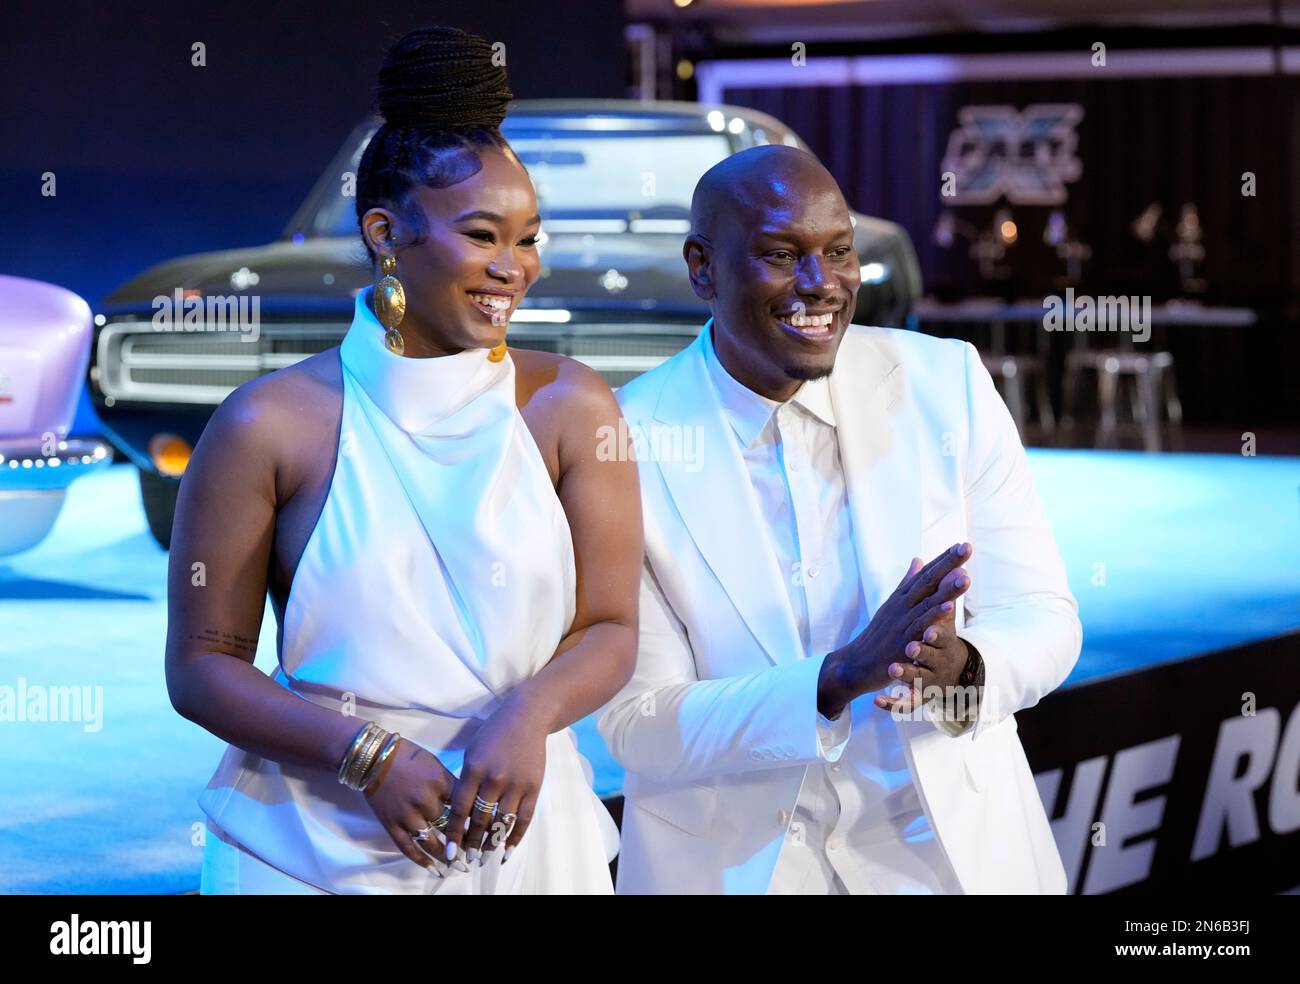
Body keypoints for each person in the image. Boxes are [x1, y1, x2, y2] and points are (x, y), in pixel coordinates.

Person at [165, 26, 641, 894]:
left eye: (529, 238)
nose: (514, 268)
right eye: (483, 235)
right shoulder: (267, 423)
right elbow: (203, 665)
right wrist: (367, 756)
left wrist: (529, 716)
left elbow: (612, 627)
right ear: (386, 232)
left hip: (524, 835)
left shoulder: (574, 406)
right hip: (306, 841)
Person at [598, 144, 1082, 894]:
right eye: (782, 255)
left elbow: (1044, 617)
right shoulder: (624, 437)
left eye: (840, 251)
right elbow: (641, 722)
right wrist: (836, 679)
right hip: (739, 871)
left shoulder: (943, 384)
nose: (821, 285)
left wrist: (963, 671)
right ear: (703, 267)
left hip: (948, 860)